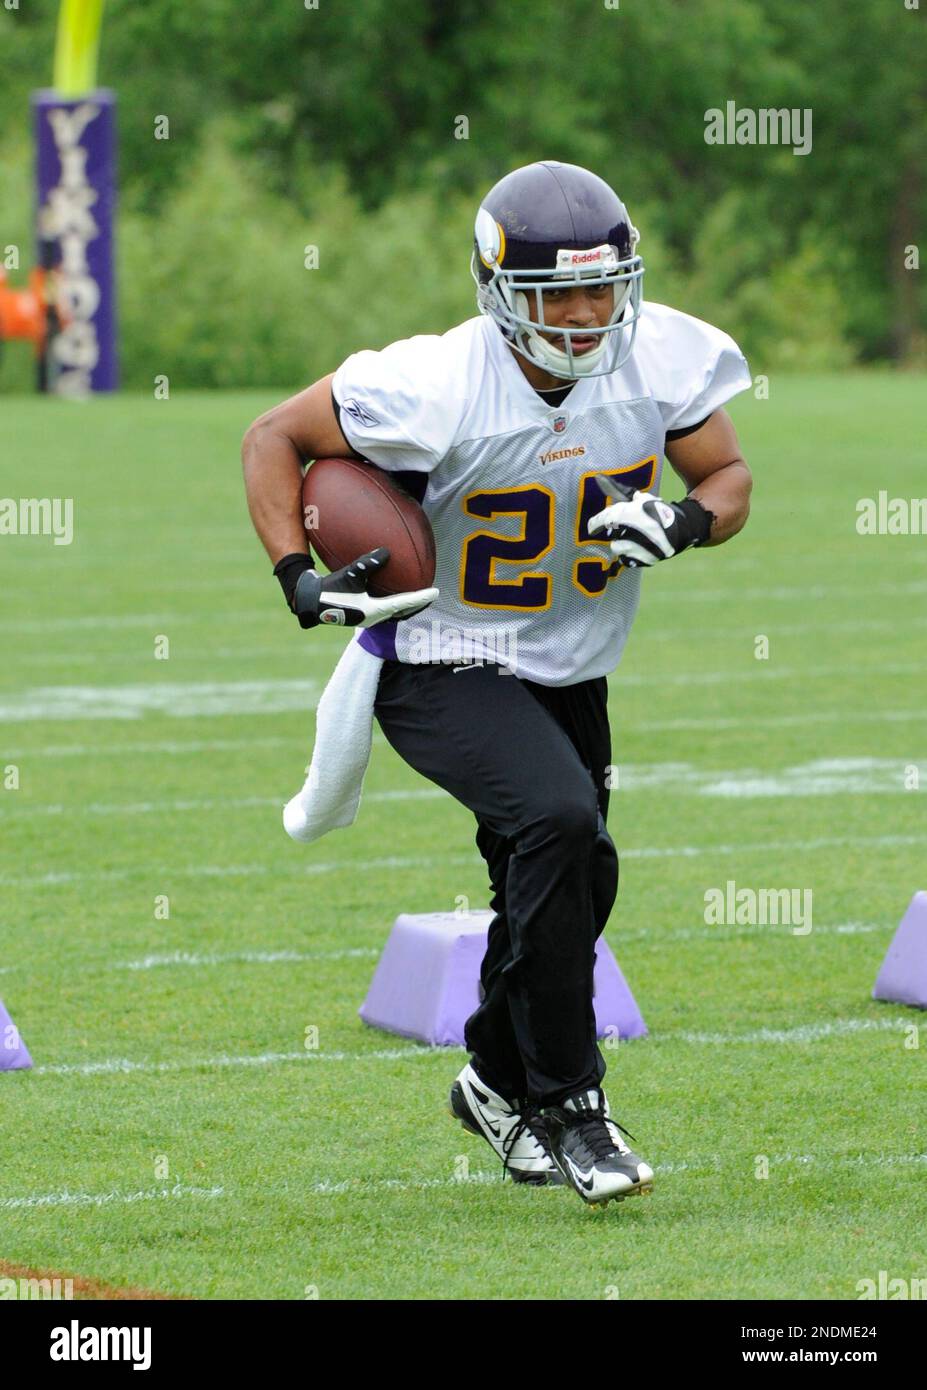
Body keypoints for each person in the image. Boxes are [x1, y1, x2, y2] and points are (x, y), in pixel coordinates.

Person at [242, 160, 753, 1207]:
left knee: (578, 877)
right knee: (560, 824)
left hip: (573, 657)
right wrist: (298, 573)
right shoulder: (434, 382)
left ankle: (494, 1076)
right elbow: (274, 438)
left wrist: (687, 522)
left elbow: (728, 476)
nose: (582, 314)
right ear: (496, 292)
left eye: (600, 287)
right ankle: (571, 1104)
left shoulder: (660, 356)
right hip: (443, 653)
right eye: (553, 294)